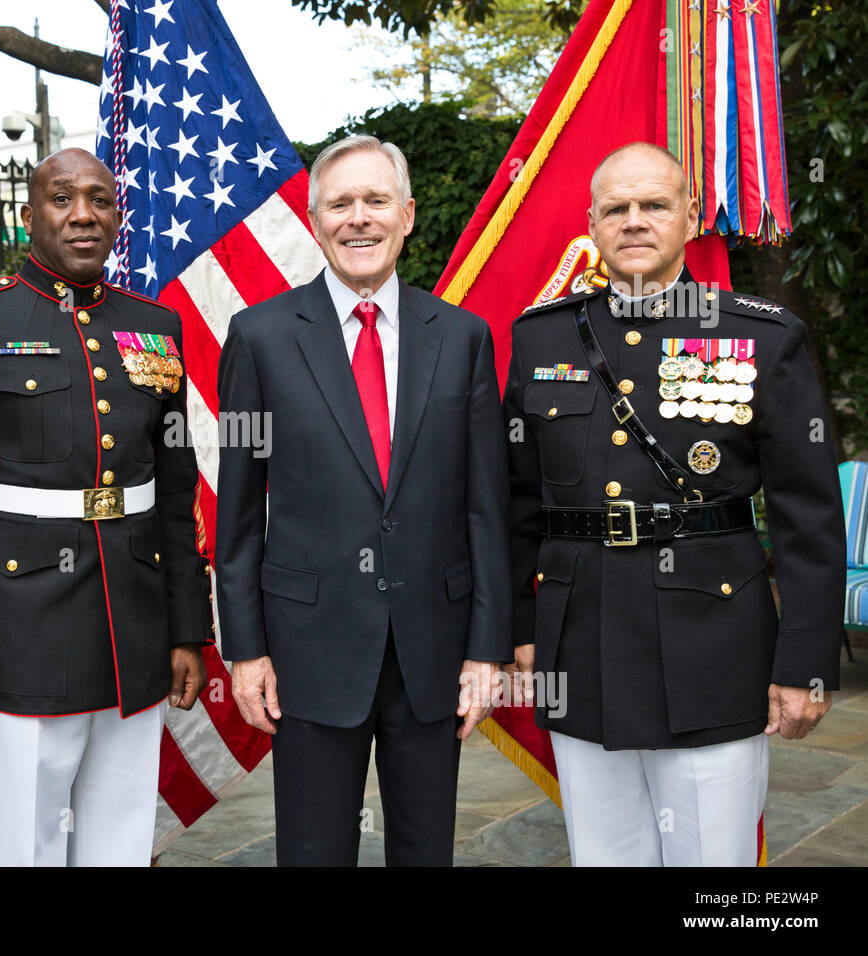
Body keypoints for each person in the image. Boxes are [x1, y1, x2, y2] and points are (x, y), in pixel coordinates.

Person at [503, 142, 845, 866]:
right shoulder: (541, 337)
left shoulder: (759, 336)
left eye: (654, 205)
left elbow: (807, 518)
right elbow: (518, 504)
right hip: (580, 645)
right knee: (605, 856)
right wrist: (520, 626)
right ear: (591, 224)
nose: (634, 221)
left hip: (713, 645)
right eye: (616, 209)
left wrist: (805, 660)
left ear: (690, 216)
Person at [0, 148, 210, 867]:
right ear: (29, 214)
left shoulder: (154, 325)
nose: (83, 214)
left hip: (133, 626)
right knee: (21, 845)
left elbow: (174, 490)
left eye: (99, 199)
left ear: (117, 216)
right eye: (62, 198)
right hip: (16, 629)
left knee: (122, 838)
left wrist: (189, 626)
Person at [215, 135, 512, 866]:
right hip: (307, 648)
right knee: (315, 851)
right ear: (315, 221)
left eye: (376, 201)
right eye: (340, 203)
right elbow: (240, 514)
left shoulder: (465, 338)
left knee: (424, 852)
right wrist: (246, 649)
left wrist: (486, 648)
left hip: (432, 651)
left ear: (407, 215)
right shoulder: (260, 337)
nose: (359, 219)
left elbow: (486, 509)